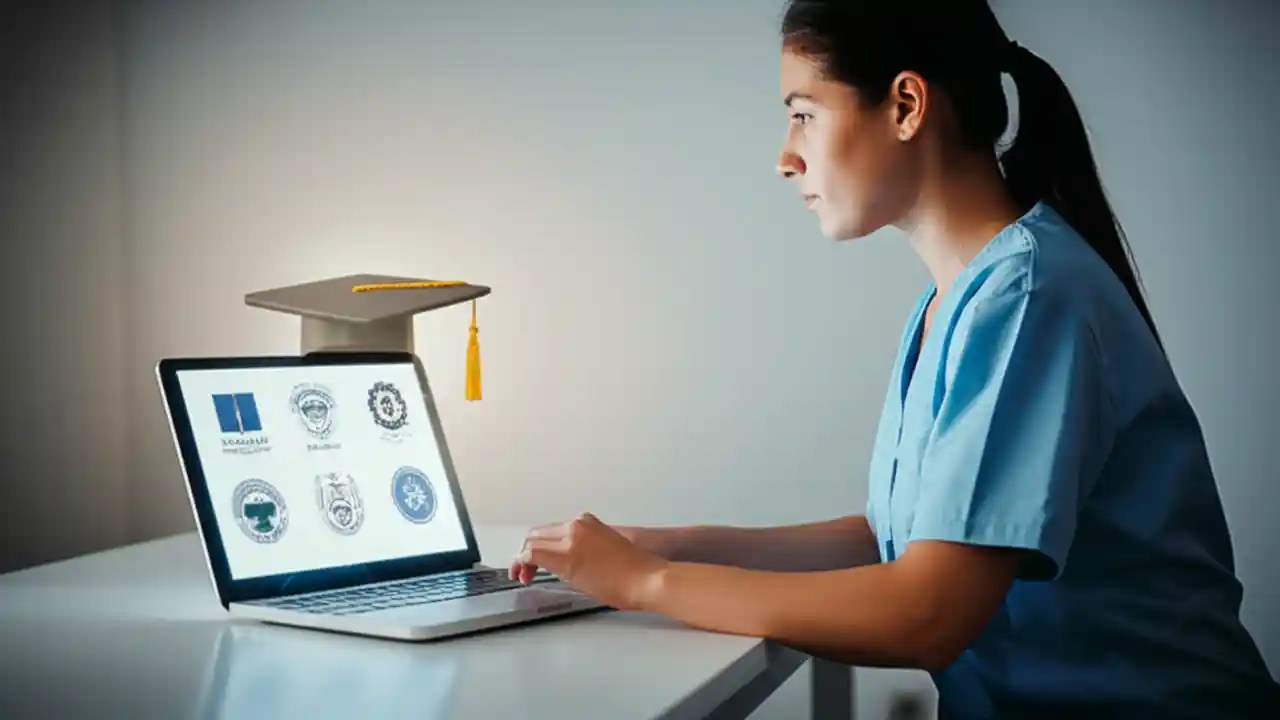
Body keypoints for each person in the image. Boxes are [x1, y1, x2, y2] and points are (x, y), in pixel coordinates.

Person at [509, 1, 1277, 716]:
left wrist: (648, 583)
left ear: (907, 105)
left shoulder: (1030, 297)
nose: (785, 158)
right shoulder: (958, 303)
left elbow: (926, 613)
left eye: (803, 115)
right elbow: (894, 540)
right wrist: (671, 545)